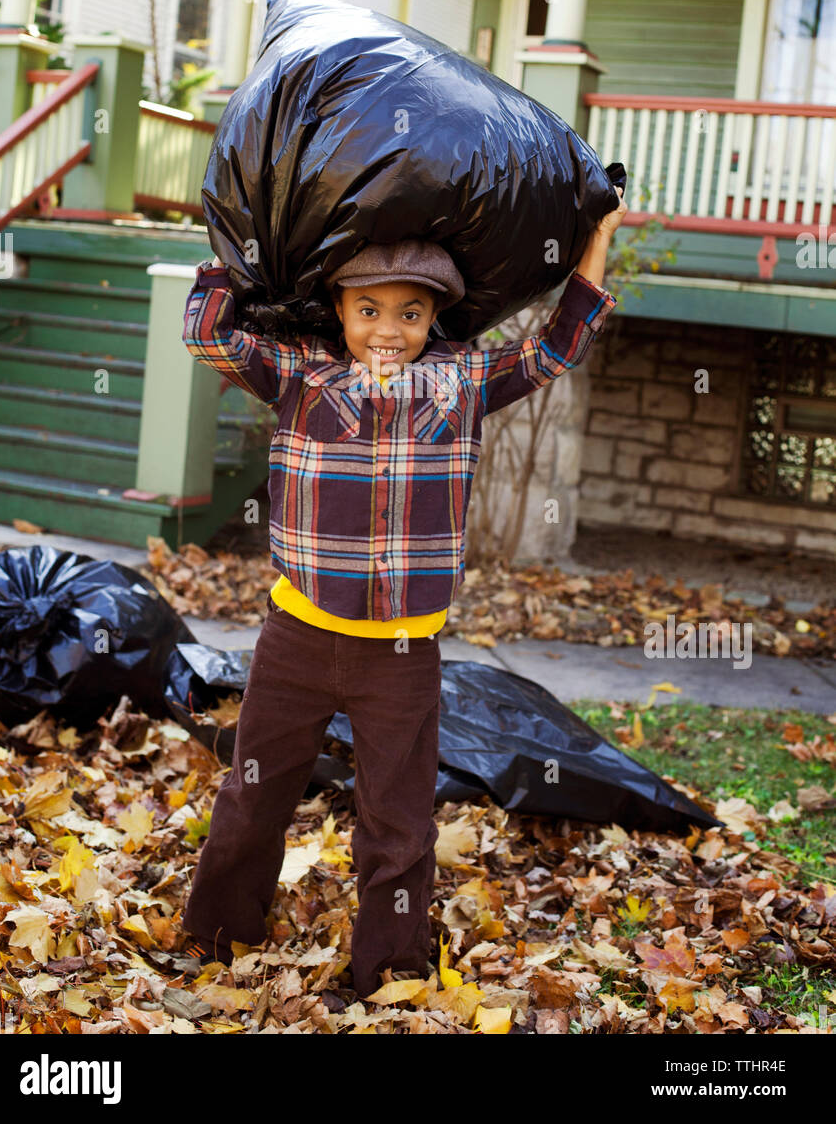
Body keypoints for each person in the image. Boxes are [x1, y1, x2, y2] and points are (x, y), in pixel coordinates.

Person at [179, 190, 627, 998]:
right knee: (254, 797)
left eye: (411, 313)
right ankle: (216, 934)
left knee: (399, 823)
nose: (389, 330)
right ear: (339, 310)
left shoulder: (462, 383)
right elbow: (205, 332)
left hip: (401, 655)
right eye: (370, 309)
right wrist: (234, 243)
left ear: (435, 320)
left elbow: (556, 348)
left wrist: (596, 238)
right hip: (296, 643)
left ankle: (387, 971)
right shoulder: (301, 376)